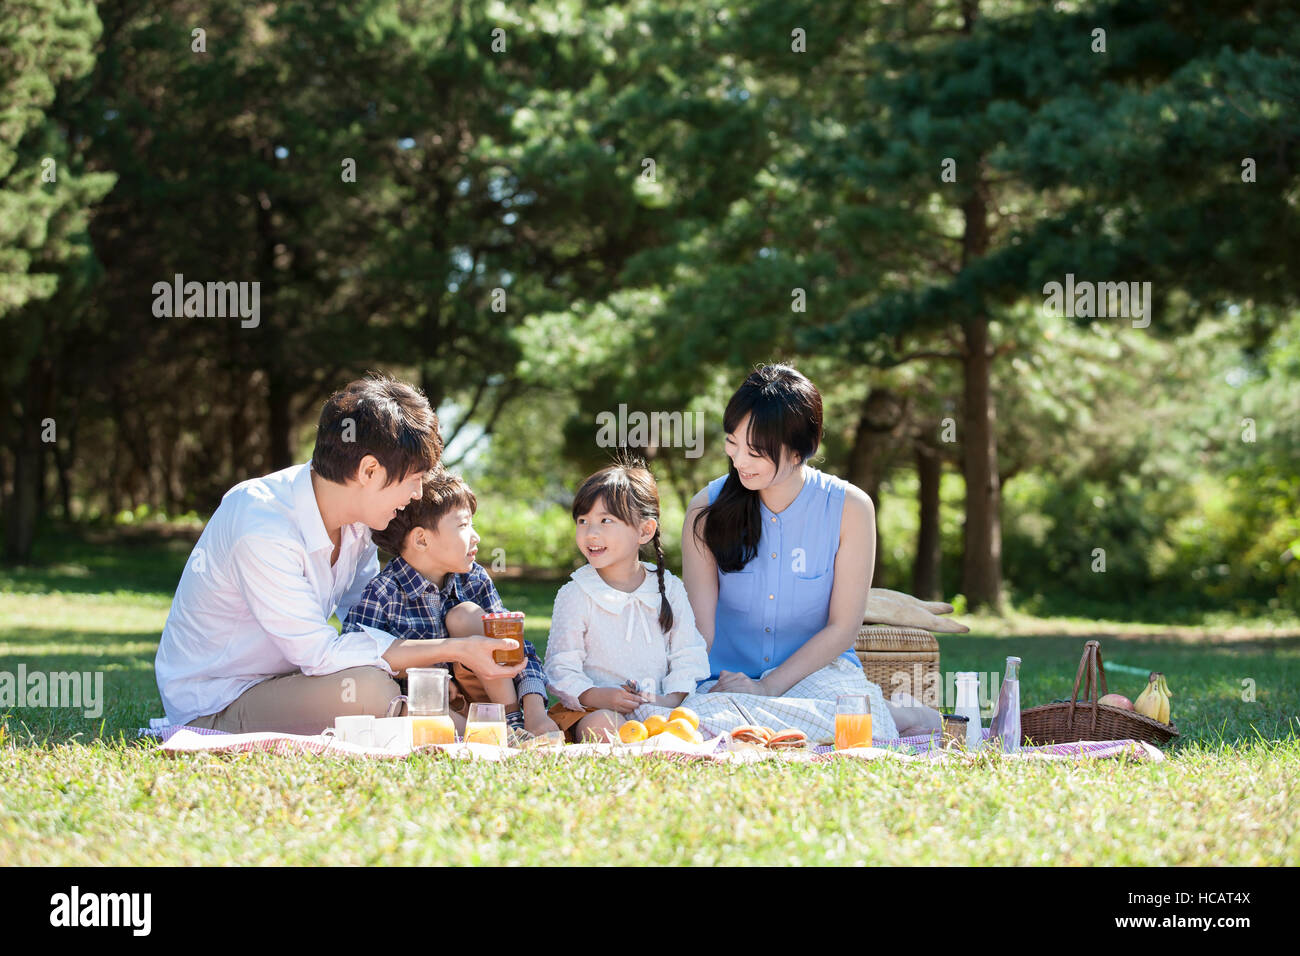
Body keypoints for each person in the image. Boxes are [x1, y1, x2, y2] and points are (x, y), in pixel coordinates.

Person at [154, 374, 524, 735]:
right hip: (219, 701)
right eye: (414, 480)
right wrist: (456, 649)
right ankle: (486, 738)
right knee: (369, 689)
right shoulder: (261, 524)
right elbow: (320, 653)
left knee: (381, 675)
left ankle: (480, 728)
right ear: (369, 470)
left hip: (295, 681)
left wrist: (432, 664)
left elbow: (368, 628)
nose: (416, 495)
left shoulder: (358, 525)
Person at [680, 364, 940, 743]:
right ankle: (880, 715)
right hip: (726, 680)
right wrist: (675, 693)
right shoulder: (706, 508)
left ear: (800, 450)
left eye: (756, 451)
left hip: (817, 676)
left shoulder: (850, 507)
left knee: (860, 726)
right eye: (732, 443)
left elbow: (842, 627)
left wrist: (768, 689)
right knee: (688, 721)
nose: (739, 461)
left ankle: (888, 716)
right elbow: (699, 631)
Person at [341, 469, 559, 739]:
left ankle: (513, 723)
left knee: (464, 615)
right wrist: (417, 676)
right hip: (436, 711)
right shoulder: (382, 593)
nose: (476, 536)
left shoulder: (474, 577)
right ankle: (487, 736)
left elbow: (516, 649)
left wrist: (536, 712)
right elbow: (355, 658)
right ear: (422, 539)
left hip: (491, 705)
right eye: (463, 525)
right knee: (407, 686)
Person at [543, 459, 711, 742]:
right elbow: (561, 666)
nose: (591, 532)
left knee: (702, 718)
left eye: (605, 520)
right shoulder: (576, 593)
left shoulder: (669, 588)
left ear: (644, 531)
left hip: (661, 704)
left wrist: (669, 700)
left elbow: (687, 654)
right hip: (592, 708)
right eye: (583, 521)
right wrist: (599, 695)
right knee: (606, 728)